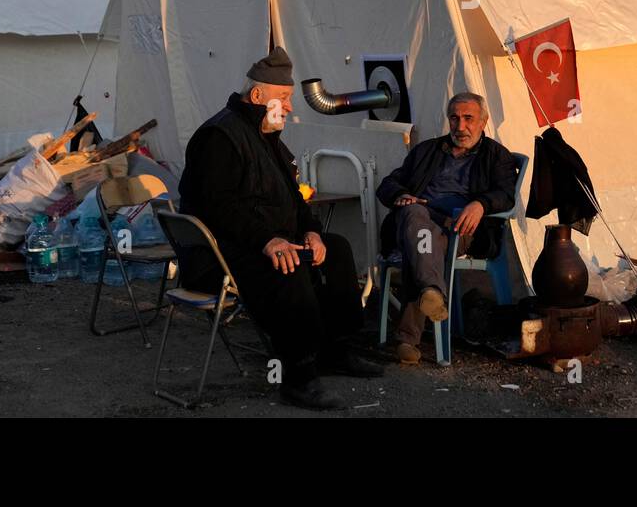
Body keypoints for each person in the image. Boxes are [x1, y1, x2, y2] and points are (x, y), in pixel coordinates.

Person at [178, 46, 383, 410]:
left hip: (262, 242)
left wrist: (311, 231)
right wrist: (268, 240)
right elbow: (218, 207)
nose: (289, 106)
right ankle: (299, 375)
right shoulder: (219, 136)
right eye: (284, 98)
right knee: (285, 267)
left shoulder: (266, 136)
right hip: (220, 255)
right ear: (258, 96)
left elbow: (294, 198)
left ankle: (335, 349)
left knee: (335, 249)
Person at [375, 93, 517, 364]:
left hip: (459, 228)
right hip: (421, 223)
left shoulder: (497, 156)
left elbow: (506, 194)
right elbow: (389, 183)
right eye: (454, 118)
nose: (460, 126)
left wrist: (480, 203)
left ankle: (409, 337)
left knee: (420, 245)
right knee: (417, 219)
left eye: (468, 119)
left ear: (484, 121)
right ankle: (431, 292)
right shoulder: (427, 151)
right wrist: (401, 196)